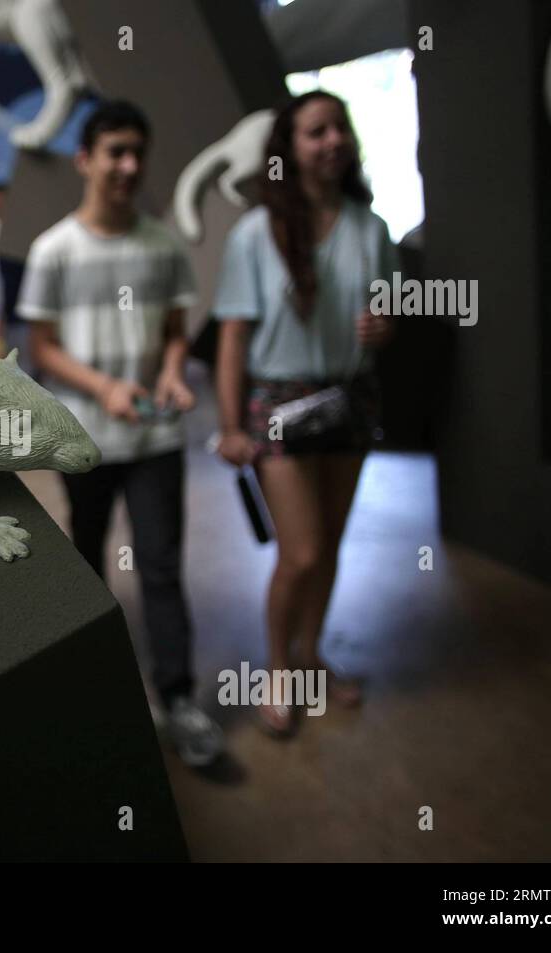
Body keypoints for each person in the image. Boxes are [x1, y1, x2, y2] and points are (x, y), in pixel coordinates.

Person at [18, 100, 224, 768]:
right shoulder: (54, 250)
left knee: (161, 570)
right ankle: (95, 695)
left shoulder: (163, 244)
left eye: (139, 151)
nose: (129, 165)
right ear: (85, 159)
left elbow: (173, 328)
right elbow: (42, 348)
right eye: (115, 151)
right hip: (84, 440)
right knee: (87, 566)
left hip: (157, 442)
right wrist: (104, 387)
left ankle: (179, 699)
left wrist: (171, 371)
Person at [212, 90, 398, 735]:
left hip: (350, 400)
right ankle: (277, 669)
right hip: (280, 406)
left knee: (333, 546)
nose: (332, 141)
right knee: (302, 552)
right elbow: (233, 335)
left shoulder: (371, 229)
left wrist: (385, 328)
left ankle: (312, 657)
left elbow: (386, 314)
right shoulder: (255, 233)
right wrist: (231, 425)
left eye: (339, 128)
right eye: (316, 131)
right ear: (288, 150)